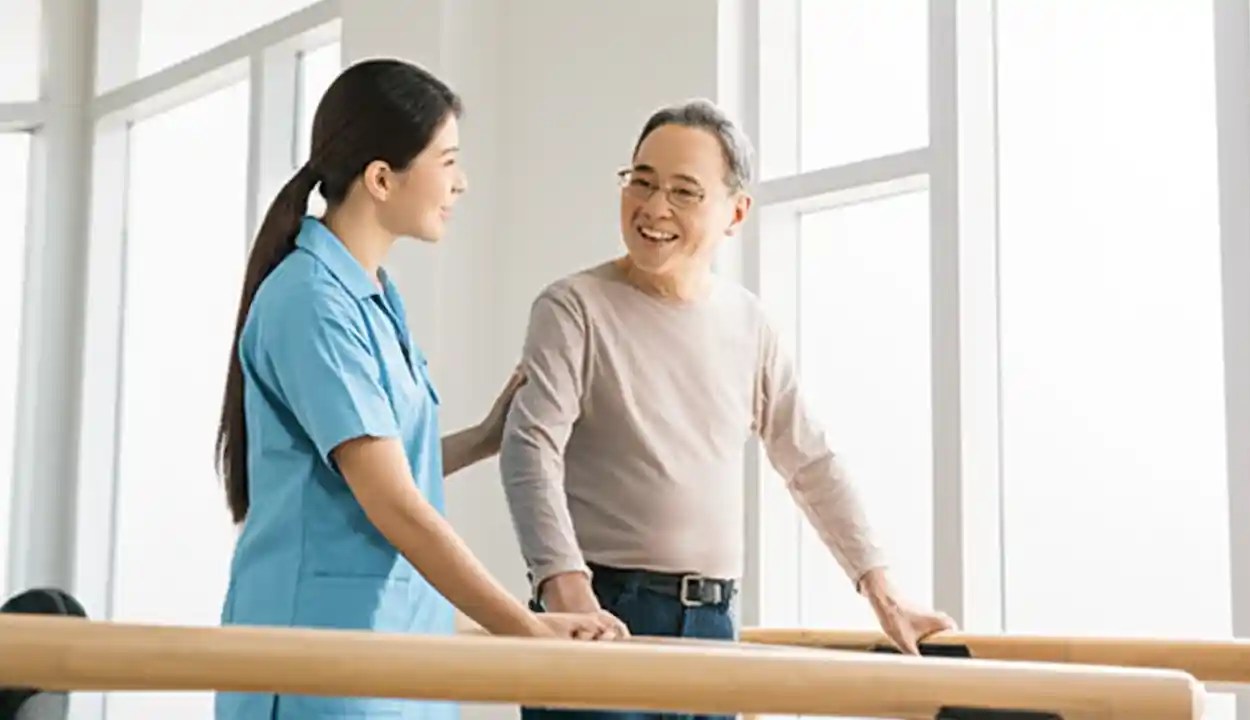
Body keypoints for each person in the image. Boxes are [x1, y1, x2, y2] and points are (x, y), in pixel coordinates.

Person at [500, 99, 955, 720]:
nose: (654, 207)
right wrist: (565, 588)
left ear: (735, 212)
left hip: (715, 622)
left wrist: (882, 591)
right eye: (642, 181)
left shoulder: (749, 321)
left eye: (684, 191)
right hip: (603, 609)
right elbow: (530, 448)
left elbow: (810, 461)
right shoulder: (573, 306)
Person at [213, 58, 627, 720]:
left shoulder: (374, 294)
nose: (461, 184)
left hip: (393, 649)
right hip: (317, 657)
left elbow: (376, 462)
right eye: (448, 161)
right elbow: (394, 504)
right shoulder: (310, 301)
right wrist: (526, 629)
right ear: (382, 178)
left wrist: (484, 439)